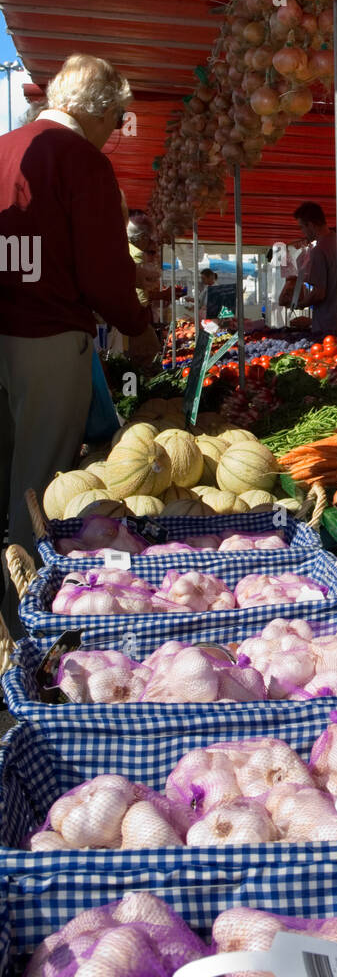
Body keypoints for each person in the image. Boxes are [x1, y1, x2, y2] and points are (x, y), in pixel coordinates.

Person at [0, 53, 156, 624]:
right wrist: (138, 327)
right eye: (117, 121)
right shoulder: (82, 161)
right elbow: (101, 269)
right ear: (97, 113)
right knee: (38, 490)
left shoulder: (4, 146)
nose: (116, 134)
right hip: (46, 335)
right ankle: (25, 628)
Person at [293, 202, 337, 337]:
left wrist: (301, 304)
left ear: (311, 225)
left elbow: (319, 293)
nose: (303, 232)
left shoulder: (319, 250)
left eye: (302, 227)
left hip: (328, 323)